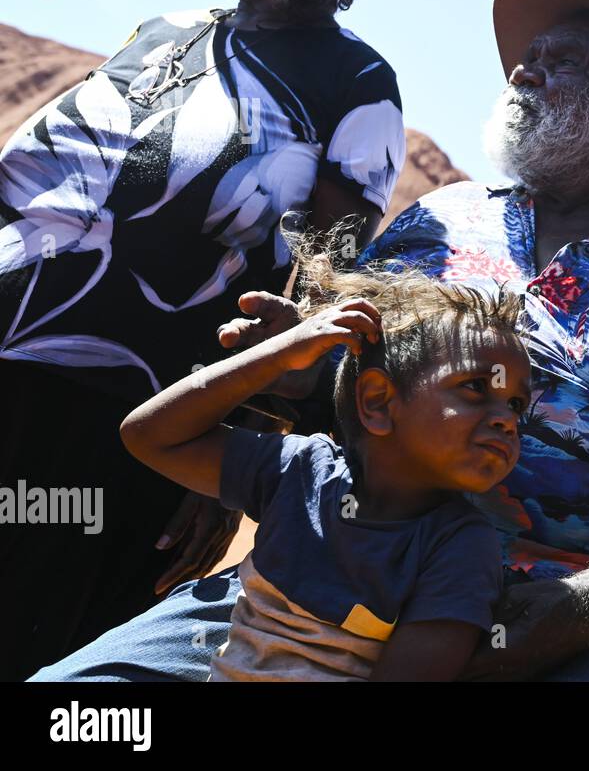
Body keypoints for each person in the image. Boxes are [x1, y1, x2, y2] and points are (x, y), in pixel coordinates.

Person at [34, 0, 589, 683]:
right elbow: (354, 383)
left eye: (559, 62)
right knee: (81, 700)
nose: (523, 74)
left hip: (552, 602)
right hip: (339, 555)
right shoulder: (444, 217)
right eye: (525, 61)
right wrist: (301, 371)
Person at [0, 0, 406, 680]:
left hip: (126, 419)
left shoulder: (353, 83)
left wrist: (229, 461)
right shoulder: (163, 33)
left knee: (40, 636)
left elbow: (321, 290)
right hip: (8, 357)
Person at [120, 249, 531, 681]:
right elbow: (149, 435)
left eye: (516, 403)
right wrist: (279, 354)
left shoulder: (461, 546)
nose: (507, 418)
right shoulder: (300, 470)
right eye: (475, 387)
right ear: (377, 402)